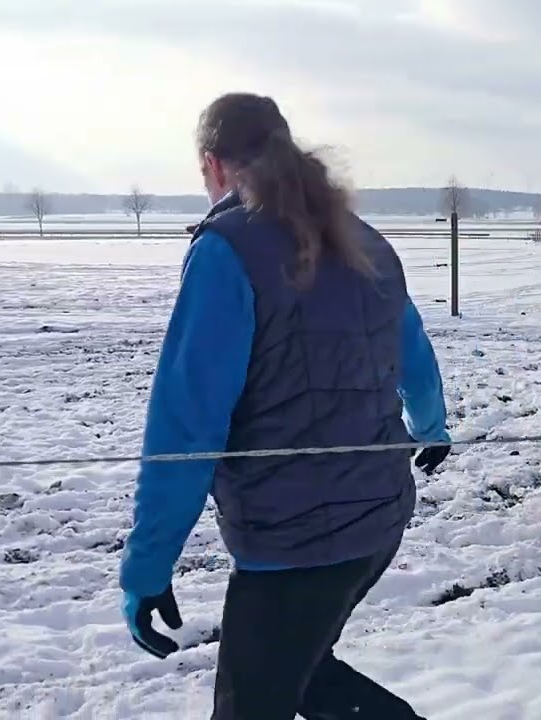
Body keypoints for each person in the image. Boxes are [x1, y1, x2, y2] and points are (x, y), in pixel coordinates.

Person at [118, 92, 450, 720]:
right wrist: (430, 428)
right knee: (300, 671)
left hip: (293, 546)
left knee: (253, 701)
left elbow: (187, 425)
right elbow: (414, 351)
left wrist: (147, 567)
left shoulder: (227, 250)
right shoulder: (368, 241)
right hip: (378, 521)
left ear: (213, 165)